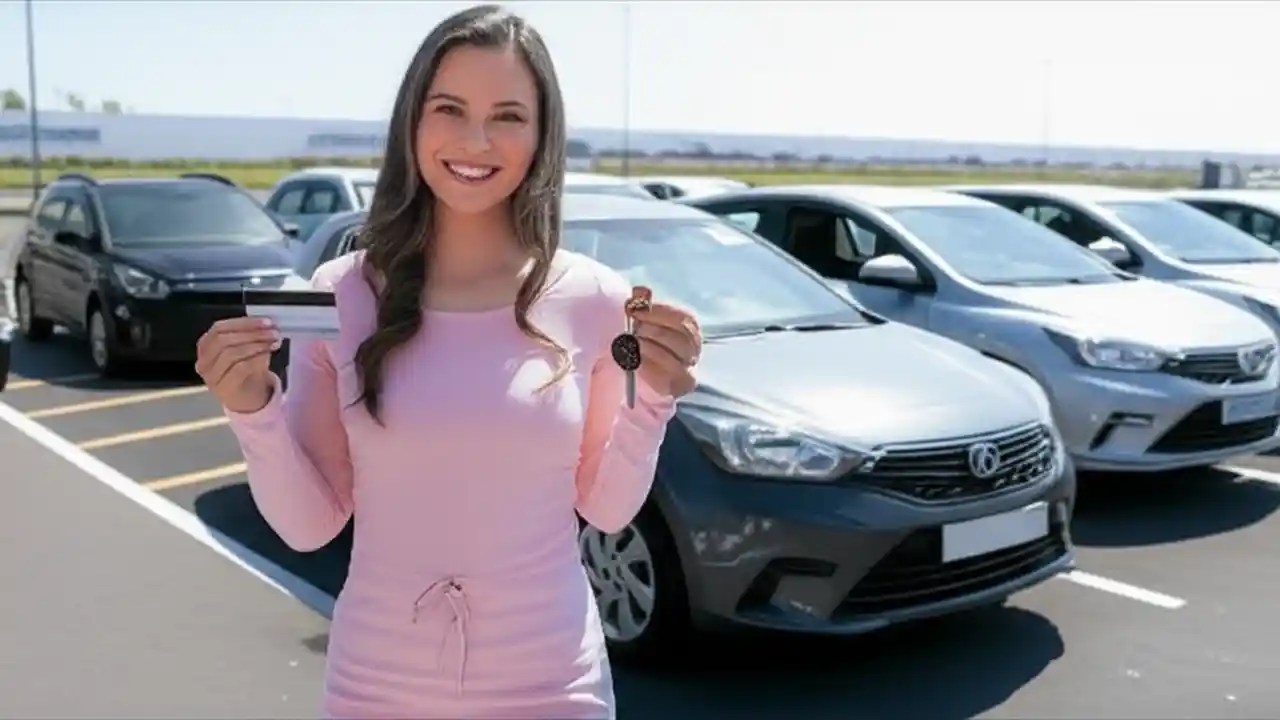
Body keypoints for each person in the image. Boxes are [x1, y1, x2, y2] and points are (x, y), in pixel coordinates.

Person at [193, 4, 702, 719]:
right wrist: (252, 412)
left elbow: (607, 507)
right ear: (412, 122)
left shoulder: (593, 297)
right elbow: (309, 526)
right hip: (377, 686)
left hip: (554, 685)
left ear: (541, 135)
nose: (475, 139)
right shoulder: (342, 296)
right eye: (450, 108)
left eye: (507, 115)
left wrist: (654, 400)